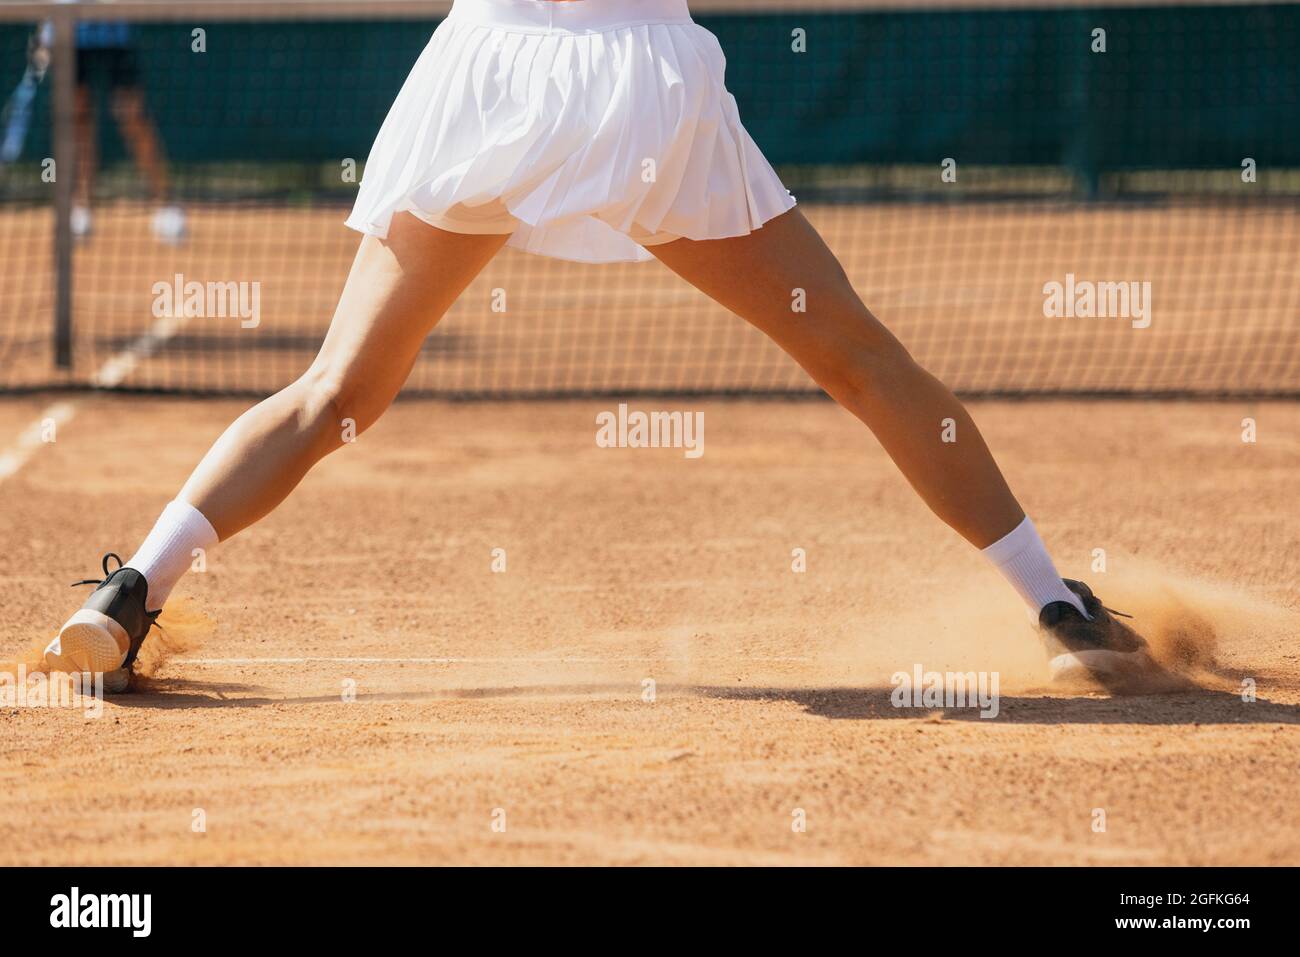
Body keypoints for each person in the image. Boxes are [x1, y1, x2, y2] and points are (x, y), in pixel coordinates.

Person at [44, 0, 1162, 694]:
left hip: (482, 71)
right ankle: (1055, 607)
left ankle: (132, 592)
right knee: (858, 360)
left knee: (337, 388)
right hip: (643, 84)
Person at [35, 18, 186, 242]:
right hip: (71, 31)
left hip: (116, 31)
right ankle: (82, 208)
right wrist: (47, 32)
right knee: (78, 118)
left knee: (132, 115)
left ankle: (165, 203)